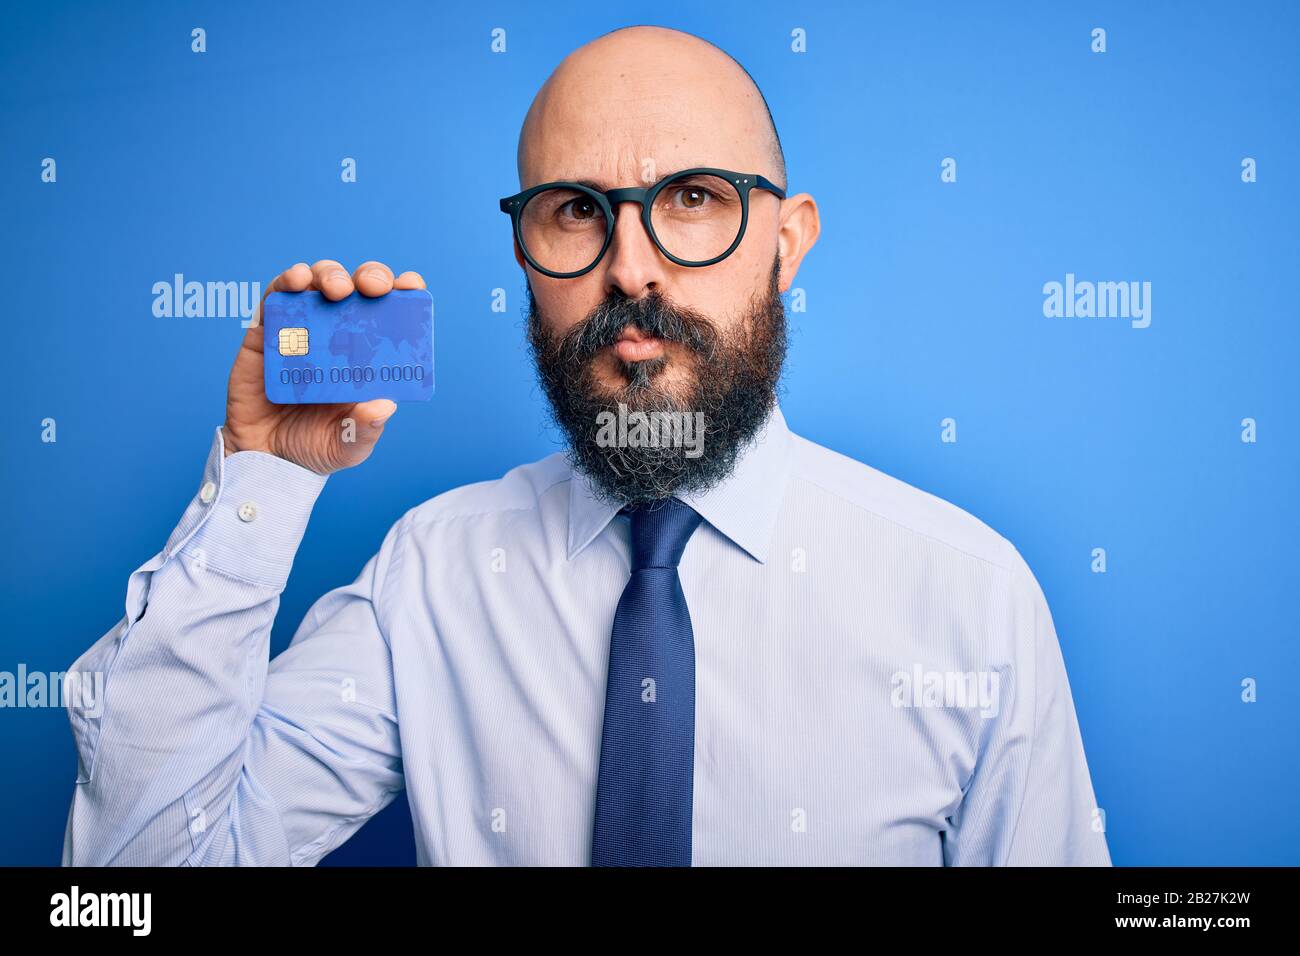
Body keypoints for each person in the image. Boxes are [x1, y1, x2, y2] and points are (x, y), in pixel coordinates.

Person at [61, 25, 1110, 866]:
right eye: (576, 212)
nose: (631, 268)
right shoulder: (431, 574)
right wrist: (264, 479)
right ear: (525, 256)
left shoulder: (968, 598)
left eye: (693, 200)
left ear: (787, 243)